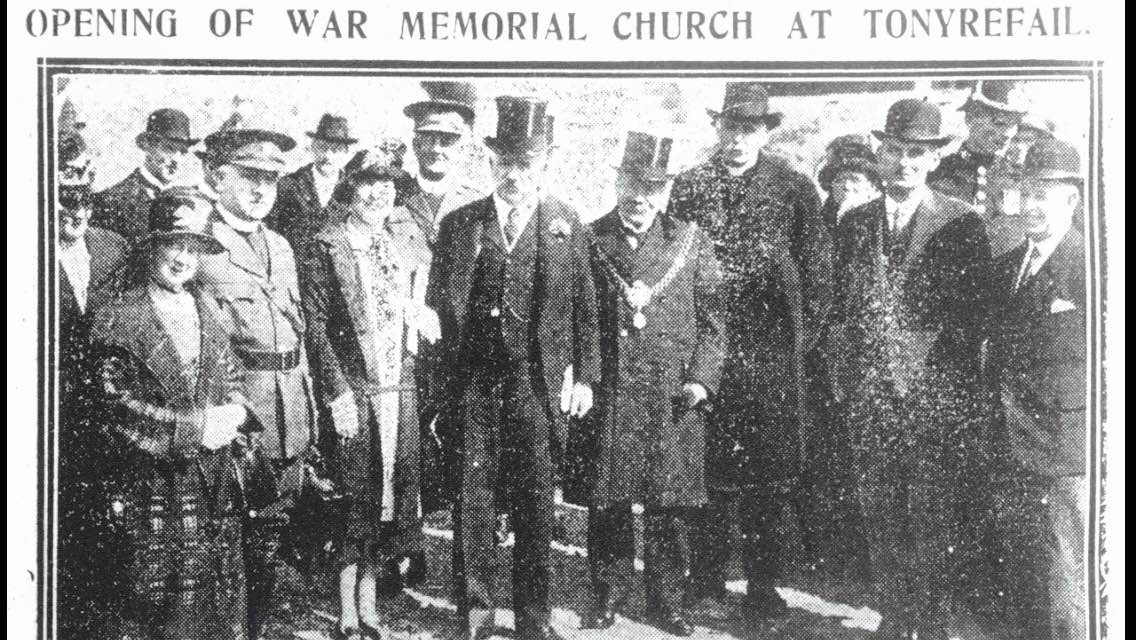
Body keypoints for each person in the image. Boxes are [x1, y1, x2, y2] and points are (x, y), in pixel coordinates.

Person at [426, 96, 600, 640]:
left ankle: (533, 620)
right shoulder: (461, 225)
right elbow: (437, 305)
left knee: (534, 504)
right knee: (473, 502)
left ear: (543, 164)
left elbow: (586, 308)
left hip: (536, 384)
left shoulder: (565, 224)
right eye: (506, 164)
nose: (515, 176)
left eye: (526, 165)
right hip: (475, 383)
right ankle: (475, 617)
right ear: (491, 162)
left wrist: (586, 376)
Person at [668, 81, 833, 621]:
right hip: (708, 350)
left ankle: (763, 588)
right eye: (731, 127)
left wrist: (797, 347)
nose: (738, 138)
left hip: (771, 356)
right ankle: (706, 581)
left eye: (750, 129)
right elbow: (675, 265)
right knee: (707, 472)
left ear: (765, 133)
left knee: (768, 480)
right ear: (717, 127)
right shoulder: (691, 184)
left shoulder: (793, 187)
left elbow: (818, 274)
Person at [831, 98, 992, 639]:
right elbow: (844, 307)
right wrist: (851, 378)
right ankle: (896, 617)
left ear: (934, 159)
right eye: (896, 151)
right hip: (872, 394)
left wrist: (947, 389)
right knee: (880, 511)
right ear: (880, 154)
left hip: (932, 394)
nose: (905, 163)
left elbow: (971, 319)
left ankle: (933, 622)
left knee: (932, 513)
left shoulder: (962, 222)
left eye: (917, 154)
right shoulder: (855, 221)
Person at [87, 191, 257, 639]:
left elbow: (230, 372)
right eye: (173, 245)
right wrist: (194, 429)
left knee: (215, 603)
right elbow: (115, 405)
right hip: (151, 484)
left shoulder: (207, 309)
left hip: (212, 480)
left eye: (193, 248)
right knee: (154, 605)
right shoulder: (120, 317)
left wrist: (235, 409)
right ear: (151, 248)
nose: (183, 258)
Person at [579, 131, 725, 636]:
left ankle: (667, 603)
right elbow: (577, 318)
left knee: (669, 504)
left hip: (672, 394)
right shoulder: (590, 239)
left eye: (651, 187)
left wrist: (702, 381)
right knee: (609, 499)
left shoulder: (691, 240)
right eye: (631, 184)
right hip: (613, 391)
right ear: (617, 183)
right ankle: (607, 595)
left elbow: (713, 324)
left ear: (665, 192)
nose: (639, 197)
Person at [193, 118, 319, 639]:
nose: (261, 189)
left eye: (270, 179)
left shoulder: (282, 247)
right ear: (216, 178)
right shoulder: (200, 247)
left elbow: (297, 335)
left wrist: (310, 412)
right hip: (240, 418)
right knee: (228, 545)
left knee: (270, 539)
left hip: (288, 417)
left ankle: (258, 629)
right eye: (248, 176)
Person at [302, 165, 438, 639]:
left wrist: (420, 314)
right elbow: (315, 326)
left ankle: (370, 600)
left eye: (388, 186)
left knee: (391, 494)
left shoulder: (398, 244)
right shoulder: (326, 245)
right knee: (355, 493)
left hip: (397, 388)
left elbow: (409, 302)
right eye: (368, 184)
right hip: (354, 390)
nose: (379, 194)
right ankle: (346, 607)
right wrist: (336, 391)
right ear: (350, 189)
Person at [983, 138, 1087, 640]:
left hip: (1061, 448)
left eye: (1042, 194)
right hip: (1009, 444)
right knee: (1022, 576)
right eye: (1025, 192)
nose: (1030, 205)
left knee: (1062, 577)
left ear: (1071, 199)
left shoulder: (1092, 265)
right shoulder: (1008, 266)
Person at [55, 133, 130, 640]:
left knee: (109, 521)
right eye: (65, 198)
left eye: (85, 198)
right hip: (55, 413)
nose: (77, 211)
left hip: (107, 411)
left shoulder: (112, 248)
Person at [929, 80, 1029, 255]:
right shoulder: (937, 174)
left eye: (1014, 125)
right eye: (999, 123)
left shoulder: (1018, 178)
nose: (1008, 133)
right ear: (971, 118)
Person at [92, 108, 200, 241]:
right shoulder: (112, 201)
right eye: (169, 148)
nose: (176, 159)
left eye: (183, 152)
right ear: (148, 146)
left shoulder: (185, 202)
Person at [400, 81, 487, 246]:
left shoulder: (477, 202)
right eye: (428, 139)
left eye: (447, 141)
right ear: (415, 145)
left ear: (461, 148)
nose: (436, 149)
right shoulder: (395, 197)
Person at [267, 113, 358, 263]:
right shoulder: (288, 185)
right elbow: (270, 231)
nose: (327, 155)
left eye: (335, 150)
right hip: (292, 269)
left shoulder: (352, 190)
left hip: (338, 273)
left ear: (346, 152)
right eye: (322, 147)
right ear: (313, 146)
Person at [818, 135, 883, 229]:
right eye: (839, 180)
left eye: (854, 179)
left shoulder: (881, 221)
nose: (846, 185)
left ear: (872, 186)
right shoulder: (822, 219)